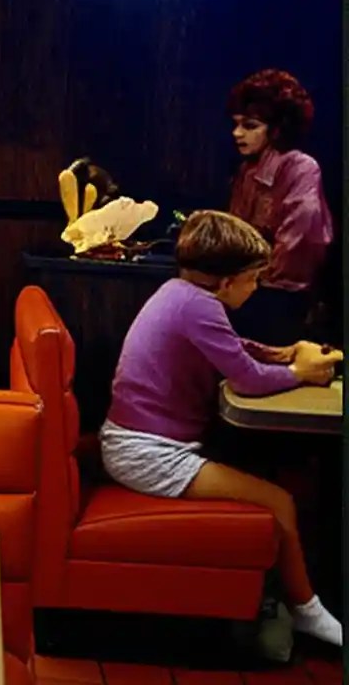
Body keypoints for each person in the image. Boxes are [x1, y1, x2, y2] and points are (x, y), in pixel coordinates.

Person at [99, 211, 343, 646]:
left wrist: (284, 355)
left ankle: (280, 594)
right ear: (228, 282)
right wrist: (304, 374)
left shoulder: (180, 293)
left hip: (138, 441)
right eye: (253, 279)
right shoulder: (199, 307)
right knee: (280, 502)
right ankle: (308, 611)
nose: (256, 287)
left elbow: (231, 348)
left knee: (270, 476)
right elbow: (246, 380)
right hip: (146, 452)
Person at [224, 69, 334, 346]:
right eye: (236, 124)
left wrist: (250, 282)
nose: (237, 133)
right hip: (245, 294)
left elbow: (299, 243)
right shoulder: (246, 171)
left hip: (280, 301)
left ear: (276, 128)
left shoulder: (300, 168)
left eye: (249, 126)